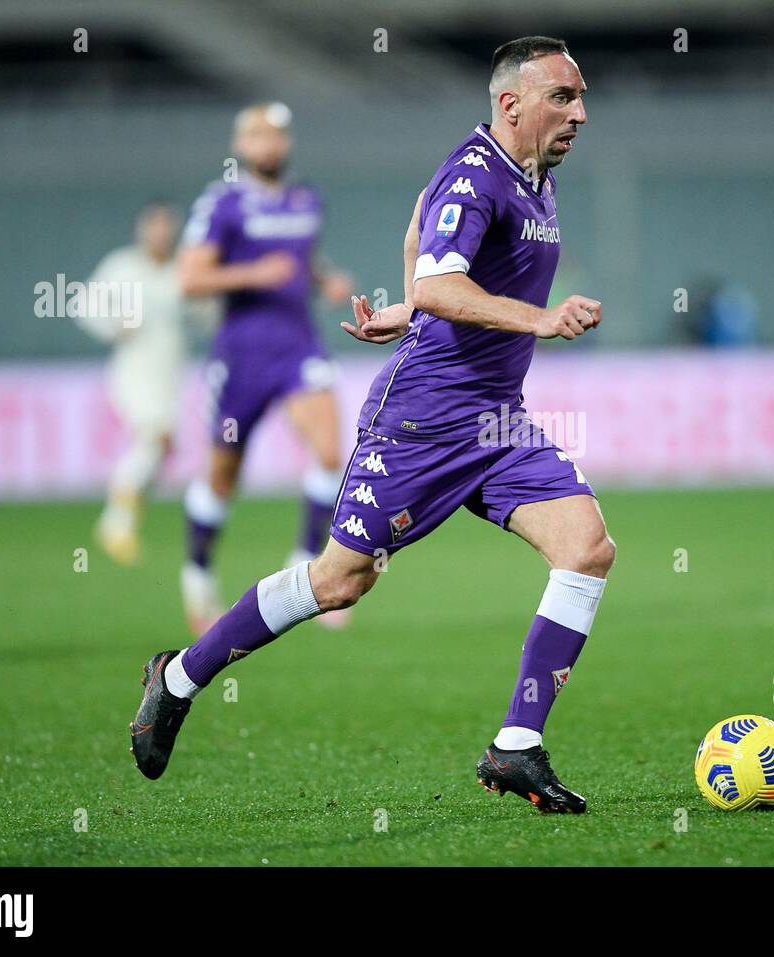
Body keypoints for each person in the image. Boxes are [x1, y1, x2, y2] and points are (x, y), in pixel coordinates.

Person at [130, 37, 612, 815]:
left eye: (581, 97)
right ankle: (179, 675)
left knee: (587, 548)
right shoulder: (477, 170)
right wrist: (529, 316)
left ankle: (516, 745)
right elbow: (437, 265)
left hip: (495, 425)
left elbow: (423, 238)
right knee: (340, 579)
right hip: (421, 422)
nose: (579, 113)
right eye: (562, 97)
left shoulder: (535, 179)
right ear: (510, 104)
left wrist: (410, 306)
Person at [177, 102, 354, 634]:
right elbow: (190, 279)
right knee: (221, 477)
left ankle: (306, 569)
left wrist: (323, 280)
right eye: (257, 135)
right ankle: (198, 574)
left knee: (329, 452)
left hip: (299, 348)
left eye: (276, 134)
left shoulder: (306, 199)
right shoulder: (223, 203)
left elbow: (299, 262)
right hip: (242, 356)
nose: (268, 144)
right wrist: (255, 272)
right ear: (240, 146)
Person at [77, 203, 189, 566]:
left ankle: (125, 521)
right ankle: (115, 525)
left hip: (169, 373)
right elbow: (83, 305)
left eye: (166, 227)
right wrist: (113, 325)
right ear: (142, 230)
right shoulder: (121, 267)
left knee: (161, 447)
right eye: (153, 227)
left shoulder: (180, 271)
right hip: (133, 372)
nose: (160, 234)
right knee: (152, 438)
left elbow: (205, 311)